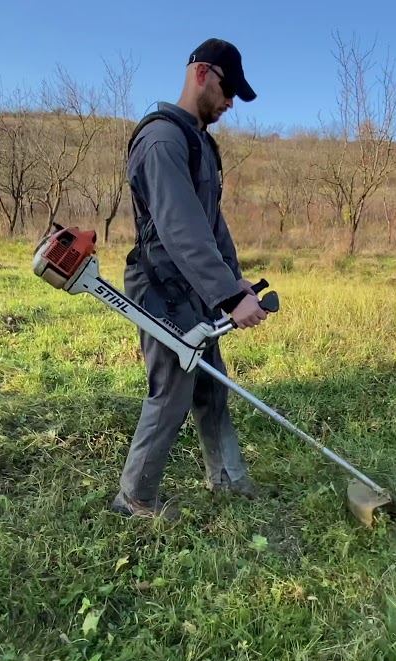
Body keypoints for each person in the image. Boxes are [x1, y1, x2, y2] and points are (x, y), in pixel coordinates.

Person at [113, 38, 270, 522]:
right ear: (202, 73)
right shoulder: (162, 139)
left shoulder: (199, 141)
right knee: (173, 389)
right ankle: (134, 499)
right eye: (228, 90)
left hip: (194, 284)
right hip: (161, 283)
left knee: (210, 383)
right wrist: (226, 296)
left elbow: (211, 224)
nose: (230, 103)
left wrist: (236, 283)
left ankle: (228, 479)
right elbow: (180, 229)